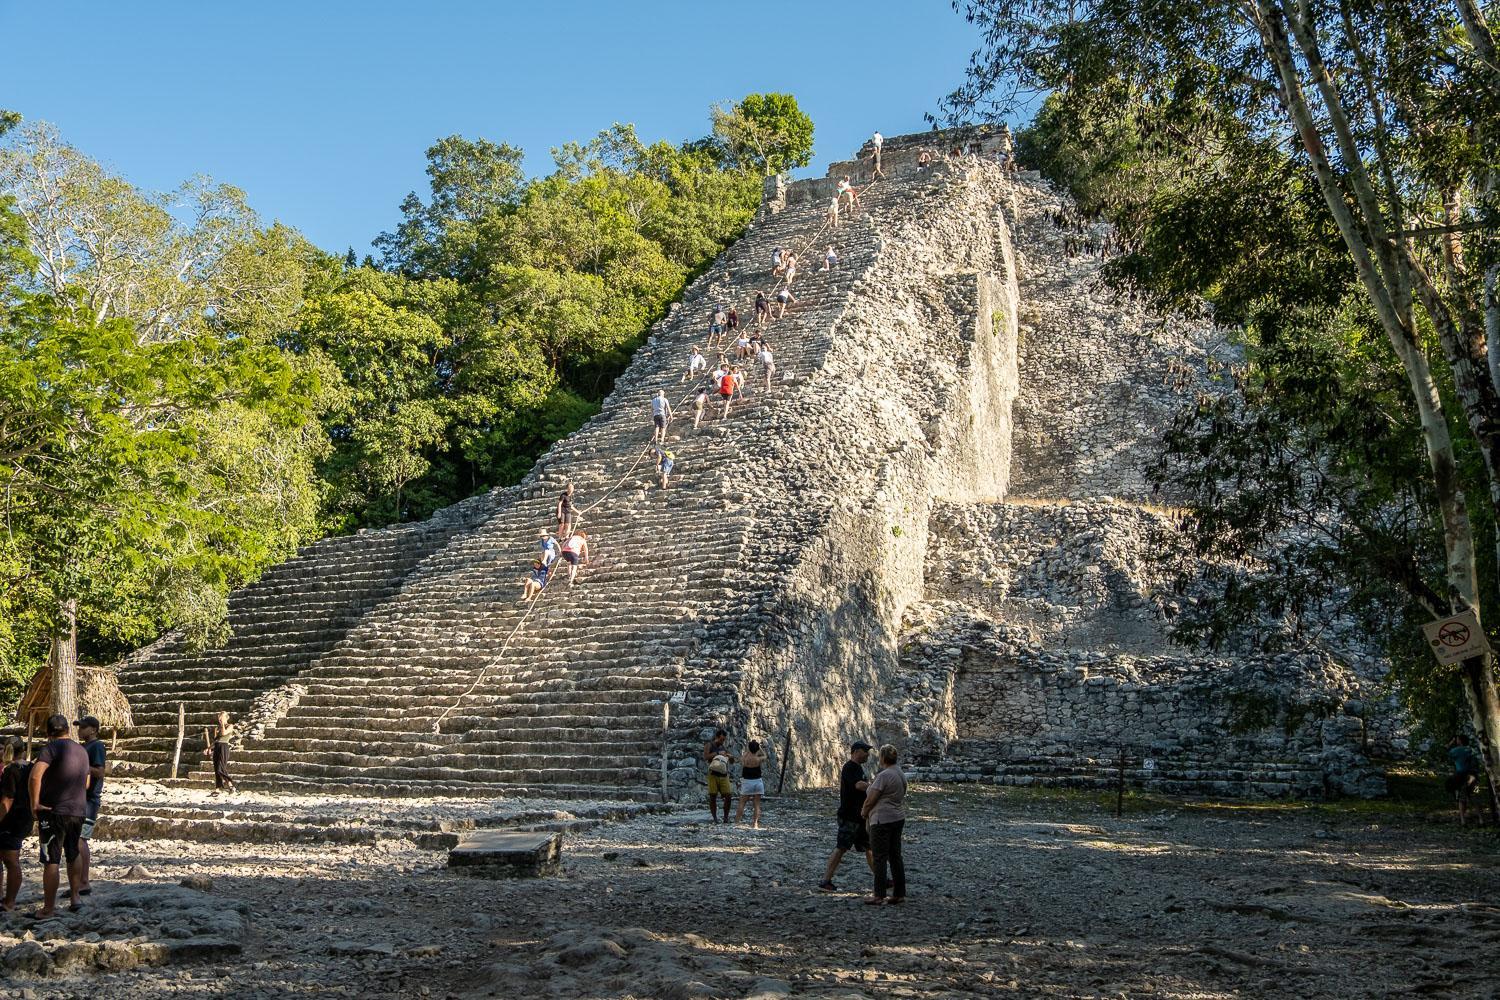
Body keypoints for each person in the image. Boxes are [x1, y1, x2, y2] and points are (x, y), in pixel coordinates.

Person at [28, 714, 88, 917]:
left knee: (51, 859)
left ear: (48, 732)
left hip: (53, 811)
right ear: (68, 730)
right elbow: (87, 783)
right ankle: (75, 898)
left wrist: (34, 802)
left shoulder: (50, 748)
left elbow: (36, 774)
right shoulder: (81, 751)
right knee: (73, 853)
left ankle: (48, 908)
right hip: (77, 810)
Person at [820, 741, 874, 891]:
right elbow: (858, 785)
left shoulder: (858, 768)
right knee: (841, 848)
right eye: (865, 751)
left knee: (869, 847)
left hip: (860, 817)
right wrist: (875, 786)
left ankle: (881, 878)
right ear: (856, 751)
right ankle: (826, 880)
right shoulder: (850, 768)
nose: (868, 754)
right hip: (850, 816)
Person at [861, 744, 907, 905]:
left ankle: (878, 894)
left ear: (882, 757)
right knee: (895, 856)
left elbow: (872, 798)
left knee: (879, 857)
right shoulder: (899, 773)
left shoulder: (884, 775)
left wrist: (864, 812)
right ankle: (899, 893)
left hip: (881, 819)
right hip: (897, 817)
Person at [0, 736, 33, 911]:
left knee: (11, 861)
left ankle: (10, 901)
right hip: (25, 817)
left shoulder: (10, 770)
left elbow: (7, 799)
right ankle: (8, 899)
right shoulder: (32, 767)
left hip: (11, 820)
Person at [76, 716, 106, 896]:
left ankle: (84, 881)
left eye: (84, 727)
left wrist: (80, 766)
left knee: (81, 839)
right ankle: (78, 881)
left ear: (93, 729)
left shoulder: (97, 746)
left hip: (90, 799)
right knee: (75, 840)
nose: (80, 730)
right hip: (79, 797)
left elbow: (100, 771)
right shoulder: (83, 747)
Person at [1448, 734, 1484, 826]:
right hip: (1474, 777)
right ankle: (1481, 819)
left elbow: (1446, 753)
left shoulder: (1456, 750)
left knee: (1462, 799)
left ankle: (1463, 821)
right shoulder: (1472, 750)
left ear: (1459, 741)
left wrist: (1450, 743)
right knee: (1476, 797)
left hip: (1462, 778)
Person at [735, 740, 768, 829]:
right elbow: (765, 756)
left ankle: (737, 822)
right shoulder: (758, 759)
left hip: (747, 782)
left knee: (742, 803)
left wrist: (748, 749)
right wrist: (759, 748)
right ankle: (755, 824)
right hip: (758, 781)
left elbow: (742, 758)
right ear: (757, 749)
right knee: (757, 804)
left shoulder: (745, 759)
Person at [704, 729, 734, 823]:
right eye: (721, 739)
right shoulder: (709, 745)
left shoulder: (723, 747)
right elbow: (705, 757)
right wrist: (717, 754)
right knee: (713, 796)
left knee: (728, 795)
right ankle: (715, 818)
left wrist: (731, 757)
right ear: (716, 737)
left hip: (723, 774)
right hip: (713, 774)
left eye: (724, 740)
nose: (722, 741)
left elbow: (732, 762)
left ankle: (725, 818)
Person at [207, 711, 236, 793]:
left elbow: (224, 733)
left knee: (221, 767)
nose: (220, 719)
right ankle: (218, 788)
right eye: (219, 717)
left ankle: (230, 784)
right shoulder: (217, 728)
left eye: (222, 717)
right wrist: (209, 748)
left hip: (224, 747)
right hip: (217, 747)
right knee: (216, 769)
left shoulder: (230, 726)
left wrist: (223, 724)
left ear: (226, 718)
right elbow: (216, 740)